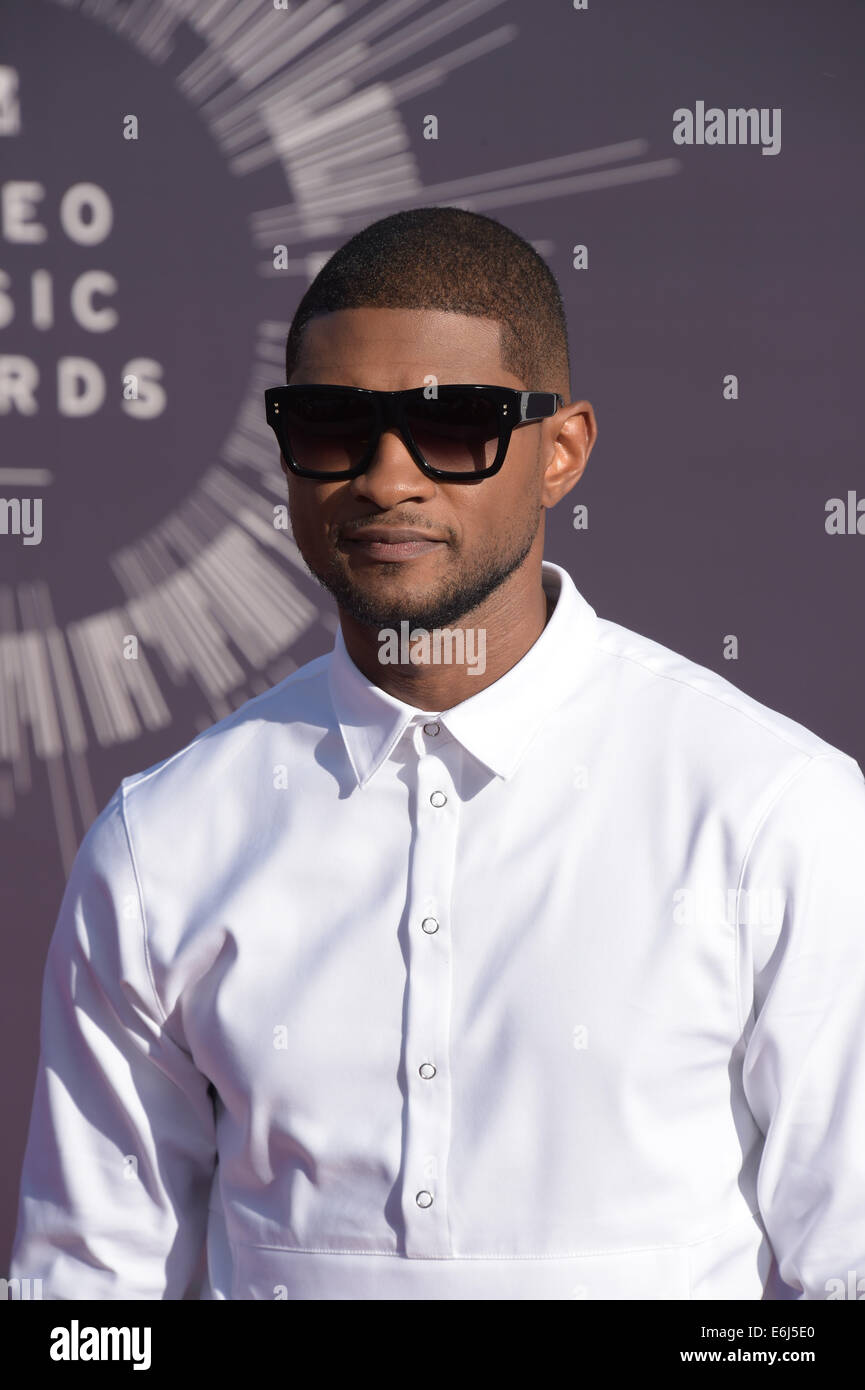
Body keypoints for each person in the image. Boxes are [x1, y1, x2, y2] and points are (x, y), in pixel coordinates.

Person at [10, 206, 865, 1300]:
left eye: (453, 425)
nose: (385, 476)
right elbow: (86, 1295)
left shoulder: (772, 810)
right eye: (329, 425)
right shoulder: (161, 841)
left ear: (560, 452)